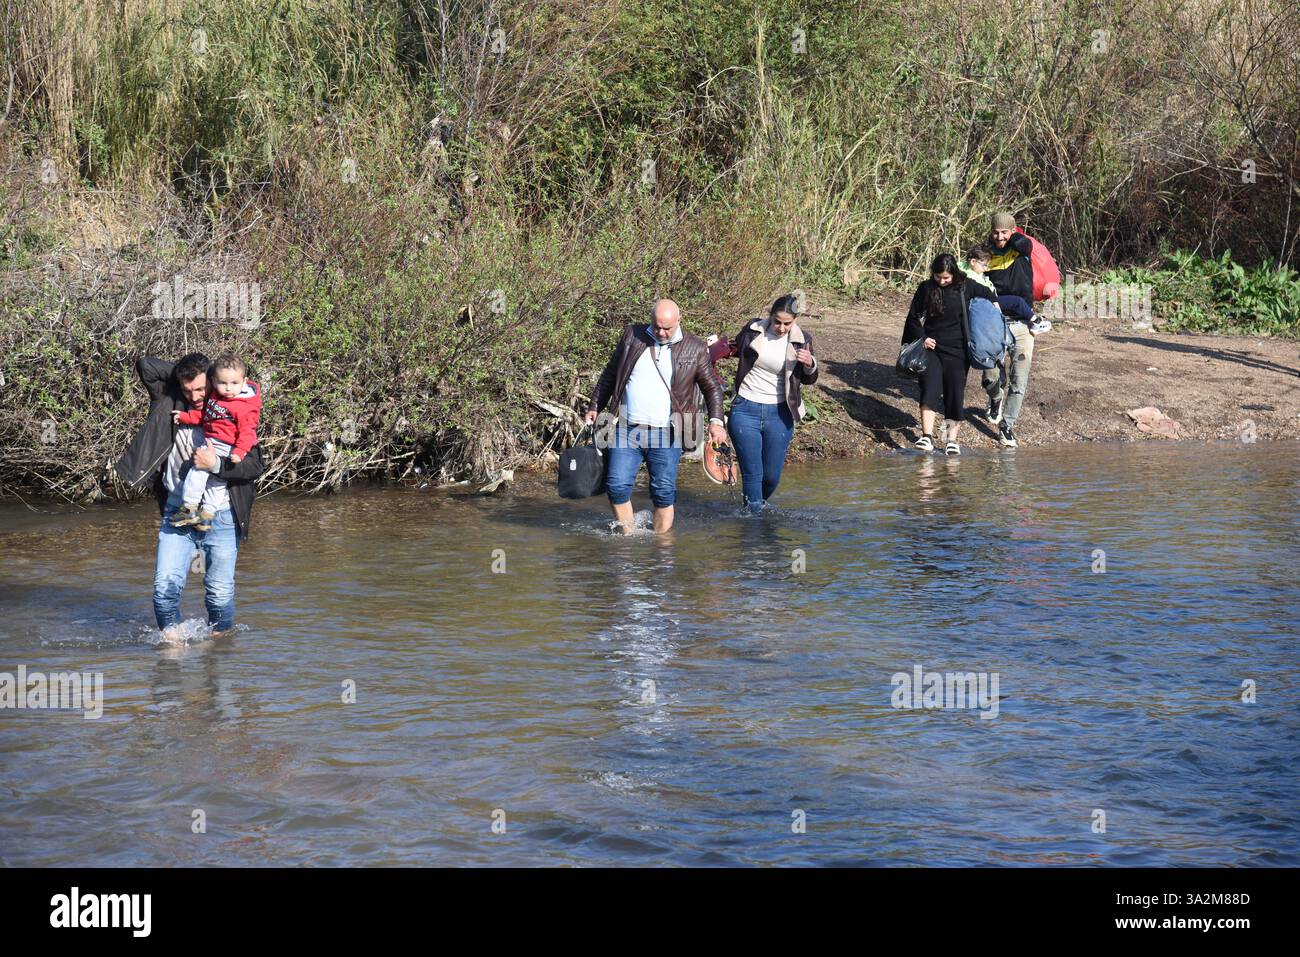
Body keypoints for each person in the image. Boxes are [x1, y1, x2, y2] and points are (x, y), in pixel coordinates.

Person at [114, 353, 266, 641]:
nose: (194, 396)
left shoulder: (234, 408)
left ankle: (218, 651)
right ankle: (170, 651)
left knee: (219, 594)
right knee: (163, 589)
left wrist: (216, 465)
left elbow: (256, 466)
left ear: (212, 382)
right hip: (177, 509)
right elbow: (146, 365)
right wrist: (189, 373)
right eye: (187, 390)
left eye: (200, 389)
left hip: (221, 514)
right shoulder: (169, 402)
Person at [584, 299, 727, 533]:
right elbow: (611, 372)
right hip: (627, 428)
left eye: (667, 328)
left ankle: (661, 547)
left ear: (679, 321)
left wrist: (716, 421)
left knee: (663, 491)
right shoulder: (632, 336)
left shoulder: (695, 347)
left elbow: (711, 387)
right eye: (657, 326)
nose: (661, 332)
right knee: (617, 486)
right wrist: (595, 405)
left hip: (668, 431)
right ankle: (628, 536)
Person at [723, 293, 819, 511]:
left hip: (780, 413)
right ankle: (753, 522)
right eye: (777, 322)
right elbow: (735, 348)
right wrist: (715, 349)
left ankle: (755, 507)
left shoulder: (802, 340)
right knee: (752, 474)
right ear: (770, 316)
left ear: (795, 320)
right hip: (745, 408)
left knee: (771, 477)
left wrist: (809, 364)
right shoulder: (753, 330)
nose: (782, 328)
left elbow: (810, 379)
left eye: (787, 323)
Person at [901, 253, 998, 455]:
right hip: (931, 349)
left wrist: (995, 308)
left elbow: (990, 296)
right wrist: (922, 337)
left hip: (959, 352)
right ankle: (926, 437)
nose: (942, 281)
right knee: (929, 389)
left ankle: (950, 440)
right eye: (938, 277)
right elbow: (912, 318)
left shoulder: (967, 286)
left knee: (955, 395)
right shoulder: (926, 288)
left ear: (954, 272)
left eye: (946, 278)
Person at [171, 353, 262, 531]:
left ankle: (189, 507)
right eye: (222, 383)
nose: (228, 388)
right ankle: (206, 516)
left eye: (234, 383)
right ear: (214, 380)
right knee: (217, 483)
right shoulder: (216, 397)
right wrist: (184, 416)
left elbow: (248, 433)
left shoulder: (244, 406)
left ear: (244, 382)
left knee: (197, 471)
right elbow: (205, 417)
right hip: (216, 442)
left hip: (223, 446)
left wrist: (239, 452)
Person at [981, 212, 1045, 447]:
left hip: (1022, 323)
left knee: (1020, 378)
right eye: (996, 232)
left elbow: (1023, 242)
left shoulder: (1022, 247)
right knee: (990, 377)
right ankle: (996, 398)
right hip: (993, 321)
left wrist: (1012, 236)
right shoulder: (985, 253)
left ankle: (1007, 426)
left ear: (1013, 231)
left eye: (1004, 232)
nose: (1000, 237)